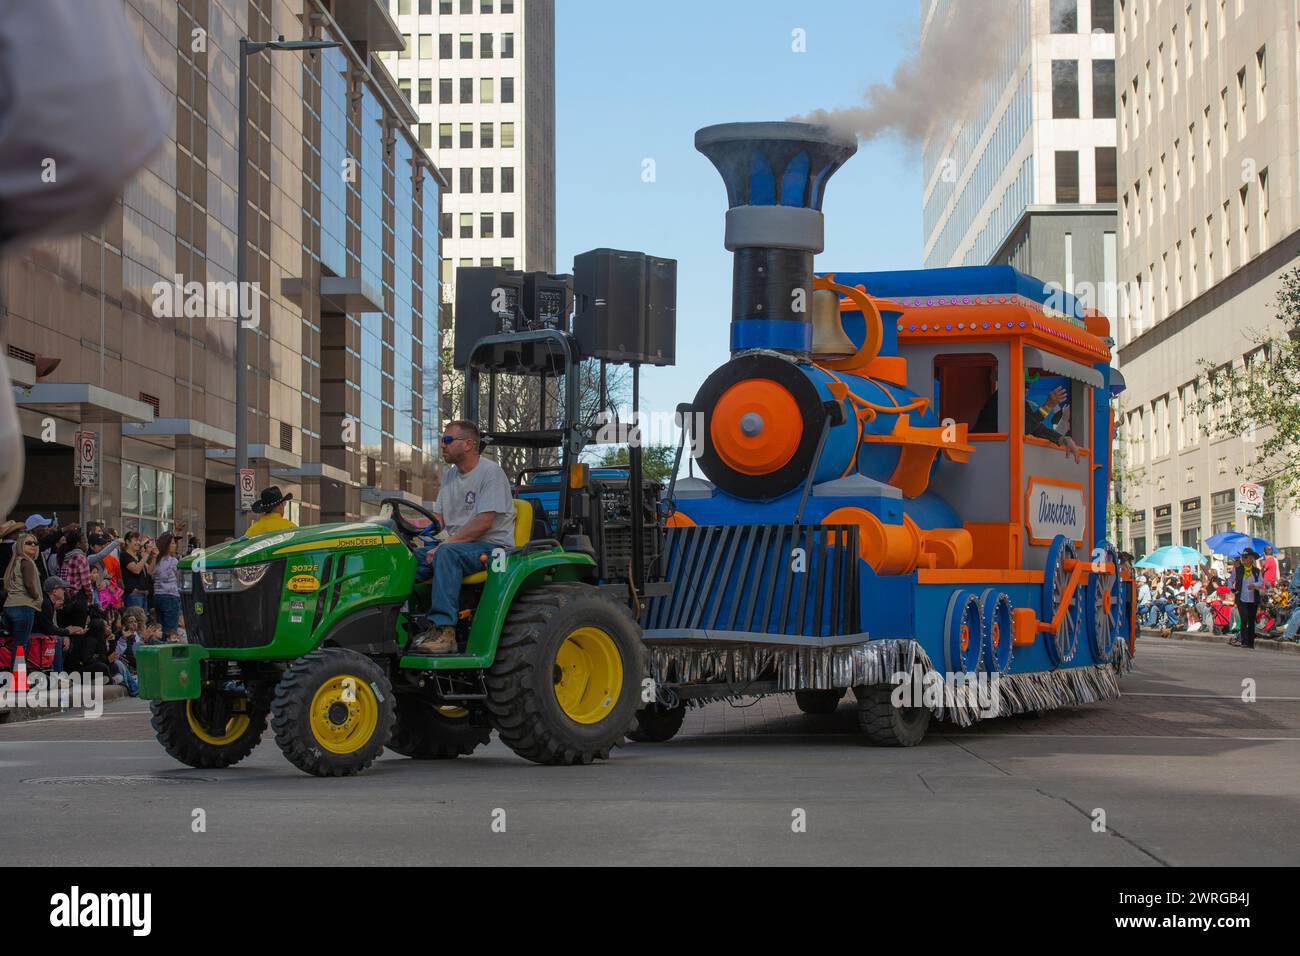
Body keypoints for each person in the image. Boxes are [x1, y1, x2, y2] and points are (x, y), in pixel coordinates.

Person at [408, 421, 517, 655]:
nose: (442, 445)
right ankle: (404, 623)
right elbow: (438, 520)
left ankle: (444, 631)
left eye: (447, 440)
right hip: (461, 544)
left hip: (493, 546)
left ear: (468, 444)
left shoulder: (490, 473)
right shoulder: (450, 476)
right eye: (442, 440)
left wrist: (445, 544)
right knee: (404, 558)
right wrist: (406, 527)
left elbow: (483, 523)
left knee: (446, 554)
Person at [972, 367, 1083, 462]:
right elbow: (1025, 427)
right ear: (1010, 383)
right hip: (980, 454)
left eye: (1028, 385)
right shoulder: (1000, 399)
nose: (1026, 390)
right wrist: (1047, 406)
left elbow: (1037, 428)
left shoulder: (1021, 403)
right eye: (1023, 384)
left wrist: (1062, 439)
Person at [2, 532, 42, 665]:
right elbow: (29, 584)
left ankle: (16, 677)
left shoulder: (15, 562)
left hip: (9, 607)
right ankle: (18, 681)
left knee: (16, 646)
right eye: (28, 543)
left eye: (35, 543)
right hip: (23, 607)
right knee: (20, 647)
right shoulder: (27, 562)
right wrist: (36, 596)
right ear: (20, 545)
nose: (33, 545)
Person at [36, 575, 86, 674]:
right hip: (36, 636)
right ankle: (58, 675)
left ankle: (60, 673)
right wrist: (67, 631)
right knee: (58, 640)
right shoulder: (45, 603)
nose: (65, 591)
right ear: (54, 591)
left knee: (62, 640)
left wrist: (66, 632)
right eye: (63, 588)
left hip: (41, 635)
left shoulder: (48, 603)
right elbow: (48, 629)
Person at [1230, 549, 1265, 649]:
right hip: (1242, 599)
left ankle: (1251, 643)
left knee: (1251, 621)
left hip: (1253, 599)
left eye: (1246, 557)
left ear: (1251, 558)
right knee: (1244, 619)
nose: (1244, 559)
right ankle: (1244, 641)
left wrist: (1254, 585)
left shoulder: (1256, 571)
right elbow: (1230, 580)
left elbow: (1261, 583)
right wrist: (1232, 589)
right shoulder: (1238, 569)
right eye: (1243, 557)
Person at [151, 532, 182, 637]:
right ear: (166, 545)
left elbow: (151, 574)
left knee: (160, 628)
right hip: (171, 596)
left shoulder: (156, 559)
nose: (175, 545)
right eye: (172, 543)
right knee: (171, 630)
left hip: (158, 596)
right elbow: (179, 578)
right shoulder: (173, 561)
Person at [119, 532, 155, 612]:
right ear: (127, 542)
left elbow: (150, 571)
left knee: (142, 622)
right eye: (135, 540)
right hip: (134, 595)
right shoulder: (124, 555)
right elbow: (136, 570)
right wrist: (147, 554)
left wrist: (155, 557)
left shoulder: (138, 556)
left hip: (144, 594)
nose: (138, 543)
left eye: (139, 540)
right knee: (136, 619)